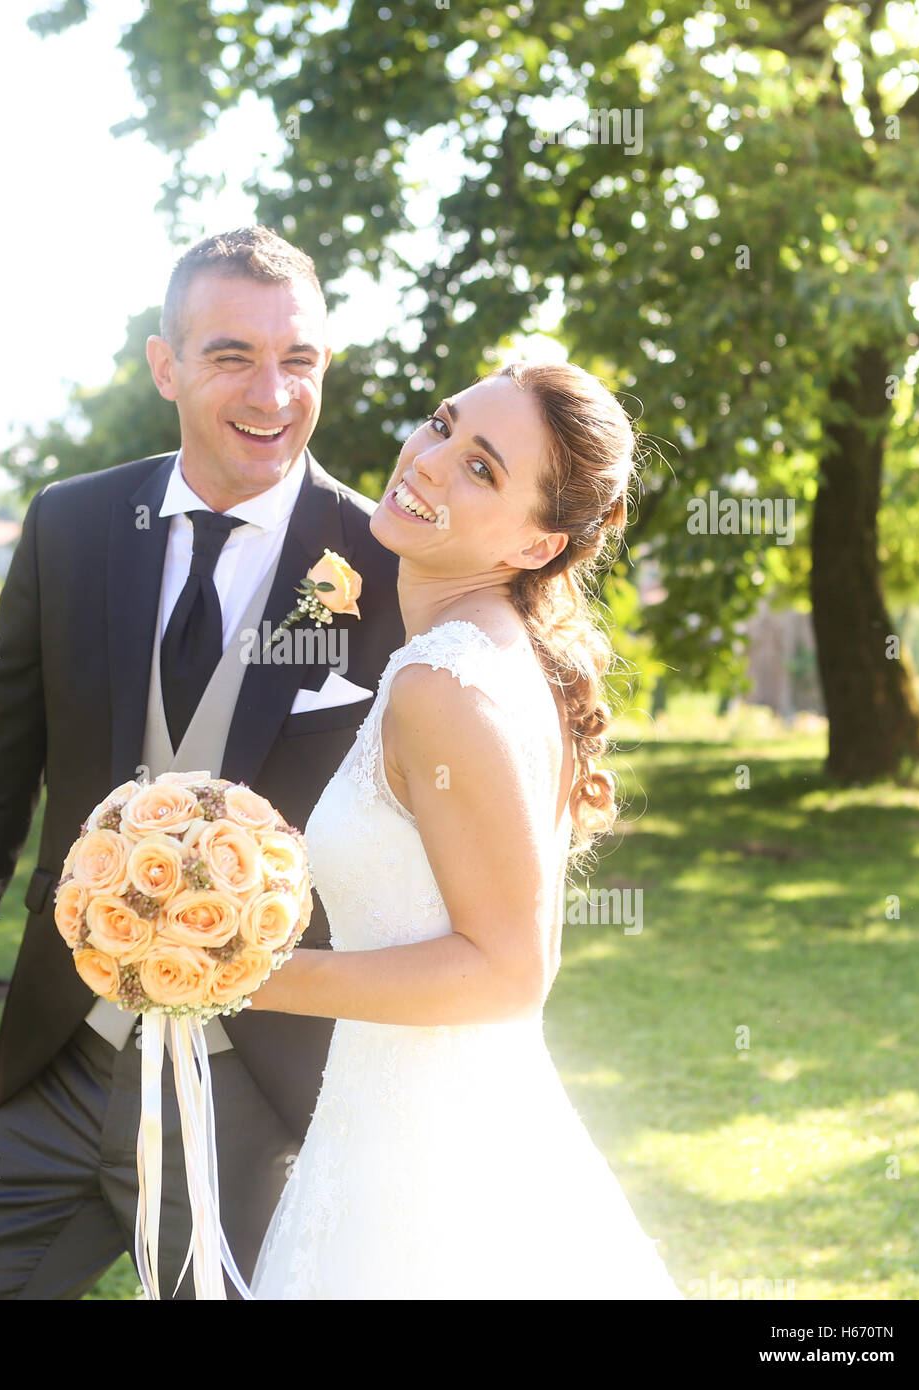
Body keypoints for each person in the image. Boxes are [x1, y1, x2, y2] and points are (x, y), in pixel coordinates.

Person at [0, 226, 406, 1298]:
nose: (273, 392)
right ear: (166, 365)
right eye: (231, 355)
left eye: (300, 360)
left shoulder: (383, 560)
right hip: (62, 1065)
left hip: (259, 1093)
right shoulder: (73, 525)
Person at [245, 361, 684, 1298]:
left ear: (538, 545)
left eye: (483, 469)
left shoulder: (444, 683)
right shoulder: (498, 659)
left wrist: (245, 975)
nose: (431, 461)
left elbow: (512, 969)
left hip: (429, 1168)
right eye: (443, 425)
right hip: (414, 1123)